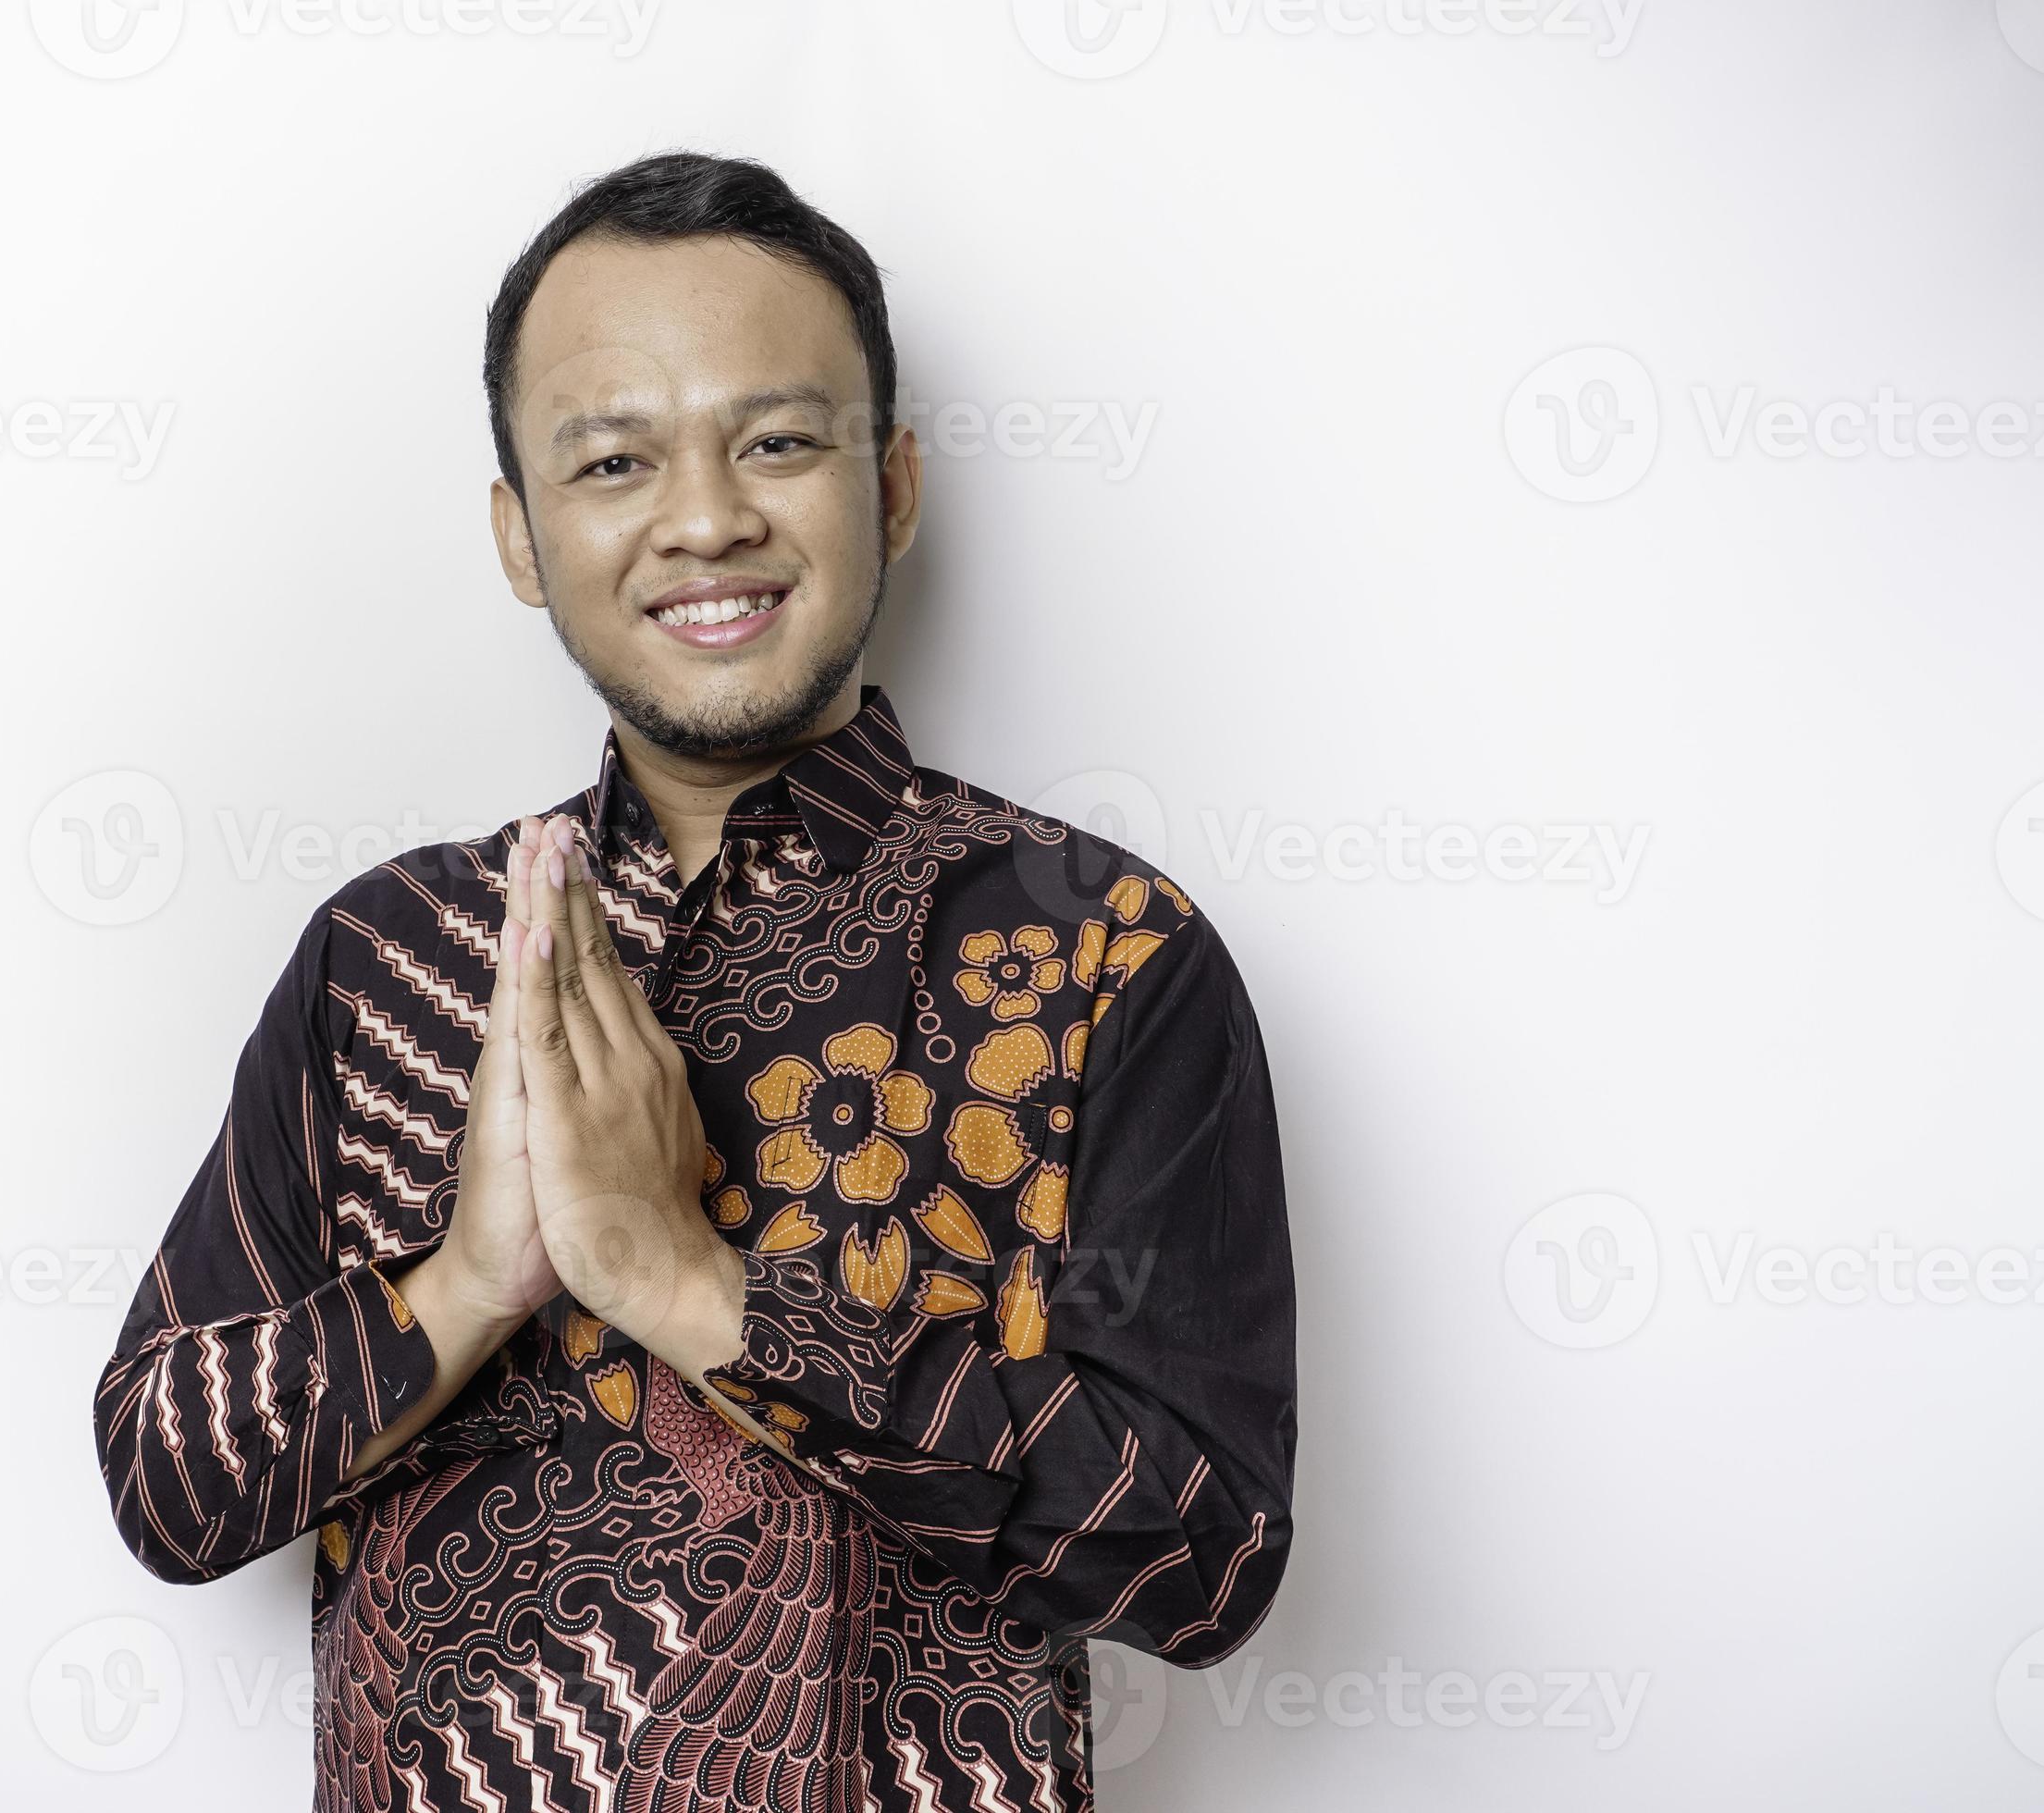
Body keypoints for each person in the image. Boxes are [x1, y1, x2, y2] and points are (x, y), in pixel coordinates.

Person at [94, 150, 1297, 1813]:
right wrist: (464, 1287)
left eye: (778, 440)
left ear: (891, 491)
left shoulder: (1103, 955)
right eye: (611, 460)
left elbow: (1209, 1560)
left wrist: (697, 1290)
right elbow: (169, 1484)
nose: (706, 515)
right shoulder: (394, 961)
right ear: (522, 536)